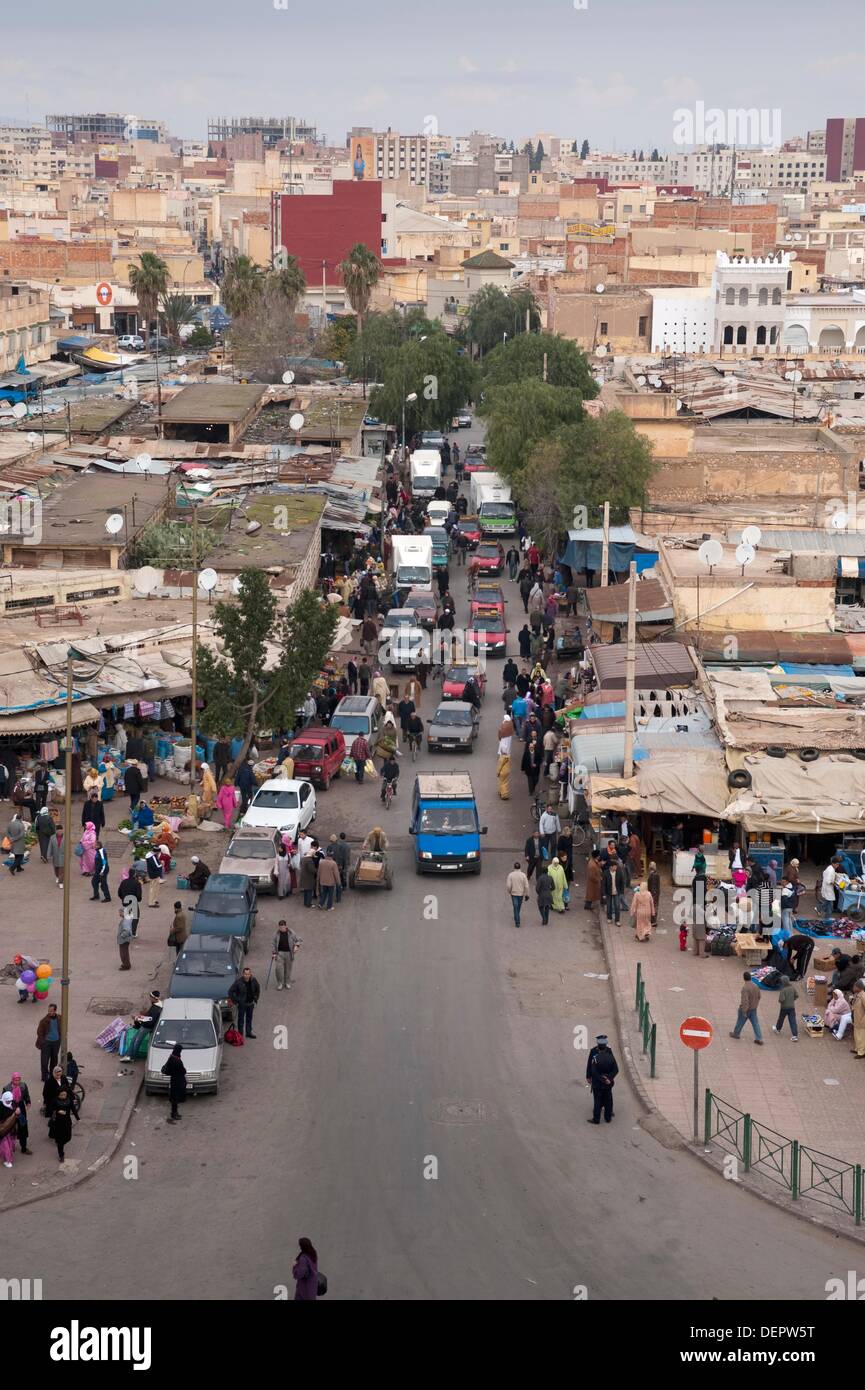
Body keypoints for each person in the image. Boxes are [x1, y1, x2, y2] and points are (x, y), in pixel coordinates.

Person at [119, 991, 163, 1059]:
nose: (149, 998)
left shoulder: (156, 1008)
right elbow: (149, 1017)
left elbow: (150, 1020)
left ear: (154, 998)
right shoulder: (157, 1004)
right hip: (145, 1026)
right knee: (134, 1039)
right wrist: (141, 1016)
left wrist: (138, 1019)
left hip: (146, 1027)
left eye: (150, 997)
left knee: (137, 1041)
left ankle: (131, 1056)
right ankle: (129, 1054)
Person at [586, 1037, 618, 1125]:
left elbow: (593, 1071)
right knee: (608, 1099)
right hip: (608, 1083)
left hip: (598, 1083)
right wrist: (609, 1079)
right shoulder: (611, 1057)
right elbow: (615, 1069)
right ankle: (608, 1118)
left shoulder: (595, 1058)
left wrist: (600, 1079)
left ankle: (596, 1119)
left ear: (598, 1046)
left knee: (597, 1101)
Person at [729, 971, 763, 1043]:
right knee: (755, 1023)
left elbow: (745, 1001)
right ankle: (759, 1038)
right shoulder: (756, 986)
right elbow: (759, 996)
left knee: (740, 1021)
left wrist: (744, 1011)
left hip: (746, 1009)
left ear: (744, 978)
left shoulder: (745, 988)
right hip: (753, 1008)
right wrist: (755, 1005)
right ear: (750, 977)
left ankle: (736, 1034)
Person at [228, 966, 260, 1039]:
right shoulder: (238, 982)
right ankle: (240, 1034)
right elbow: (230, 991)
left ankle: (248, 1033)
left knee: (249, 1019)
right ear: (243, 974)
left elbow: (258, 989)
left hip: (250, 1004)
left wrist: (256, 998)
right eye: (245, 974)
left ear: (250, 974)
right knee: (241, 1020)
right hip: (242, 1005)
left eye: (248, 974)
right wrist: (236, 1000)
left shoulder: (254, 980)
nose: (247, 975)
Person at [50, 1088, 77, 1163]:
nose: (63, 1096)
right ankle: (61, 1155)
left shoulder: (69, 1100)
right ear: (58, 1095)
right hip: (58, 1123)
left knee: (68, 1137)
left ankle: (61, 1143)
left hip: (67, 1122)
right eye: (61, 1095)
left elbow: (73, 1109)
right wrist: (58, 1111)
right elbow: (50, 1109)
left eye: (64, 1094)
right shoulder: (55, 1101)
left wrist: (78, 1118)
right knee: (60, 1141)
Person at [36, 1003, 61, 1082]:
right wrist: (43, 1041)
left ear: (55, 1011)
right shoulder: (44, 1021)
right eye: (49, 1010)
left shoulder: (59, 1018)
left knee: (54, 1059)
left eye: (51, 1011)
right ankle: (44, 1077)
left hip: (56, 1042)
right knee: (44, 1061)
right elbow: (39, 1032)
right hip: (47, 1043)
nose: (49, 1012)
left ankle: (52, 1075)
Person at [162, 1045, 187, 1122]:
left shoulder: (171, 1057)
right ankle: (174, 1114)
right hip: (178, 1081)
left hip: (174, 1080)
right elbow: (183, 1071)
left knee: (174, 1097)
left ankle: (175, 1113)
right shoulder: (177, 1060)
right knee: (175, 1098)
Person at [7, 1073, 31, 1154]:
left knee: (23, 1127)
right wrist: (12, 1108)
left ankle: (24, 1148)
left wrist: (28, 1102)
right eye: (15, 1080)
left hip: (21, 1107)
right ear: (12, 1080)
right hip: (11, 1109)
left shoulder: (23, 1086)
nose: (17, 1082)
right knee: (10, 1128)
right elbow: (4, 1100)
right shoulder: (7, 1088)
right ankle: (10, 1147)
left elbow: (26, 1096)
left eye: (19, 1080)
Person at [273, 920, 300, 990]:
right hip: (280, 953)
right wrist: (274, 953)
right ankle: (280, 983)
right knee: (278, 969)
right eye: (280, 927)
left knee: (288, 969)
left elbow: (298, 940)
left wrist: (296, 946)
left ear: (286, 926)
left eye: (283, 927)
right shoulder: (276, 934)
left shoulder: (291, 933)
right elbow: (273, 944)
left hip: (289, 953)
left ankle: (287, 982)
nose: (281, 929)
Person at [772, 975, 799, 1041]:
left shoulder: (783, 990)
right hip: (792, 1007)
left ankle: (778, 1029)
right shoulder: (792, 988)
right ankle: (795, 1035)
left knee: (781, 1019)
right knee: (792, 1021)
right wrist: (792, 1000)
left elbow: (781, 999)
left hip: (784, 1007)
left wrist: (780, 1001)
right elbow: (796, 995)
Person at [602, 853, 627, 924]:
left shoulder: (619, 872)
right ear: (611, 867)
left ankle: (617, 920)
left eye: (616, 866)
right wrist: (604, 893)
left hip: (617, 892)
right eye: (615, 866)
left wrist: (622, 891)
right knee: (609, 906)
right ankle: (609, 918)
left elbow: (622, 882)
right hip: (608, 892)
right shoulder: (606, 873)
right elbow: (603, 884)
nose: (616, 868)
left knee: (617, 906)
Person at [506, 861, 531, 928]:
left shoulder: (510, 875)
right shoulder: (523, 875)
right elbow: (526, 886)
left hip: (513, 893)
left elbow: (508, 885)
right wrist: (527, 894)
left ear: (514, 867)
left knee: (515, 906)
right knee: (518, 906)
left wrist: (509, 891)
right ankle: (517, 919)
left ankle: (516, 918)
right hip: (521, 894)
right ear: (520, 867)